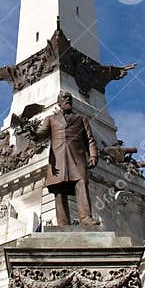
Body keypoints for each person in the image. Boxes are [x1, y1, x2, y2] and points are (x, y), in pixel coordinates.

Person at [34, 92, 98, 225]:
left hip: (77, 156)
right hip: (58, 158)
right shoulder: (50, 119)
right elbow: (41, 134)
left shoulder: (81, 119)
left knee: (81, 183)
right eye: (64, 98)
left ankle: (86, 218)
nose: (67, 99)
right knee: (59, 190)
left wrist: (93, 155)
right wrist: (31, 132)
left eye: (69, 98)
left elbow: (90, 139)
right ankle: (63, 223)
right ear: (59, 102)